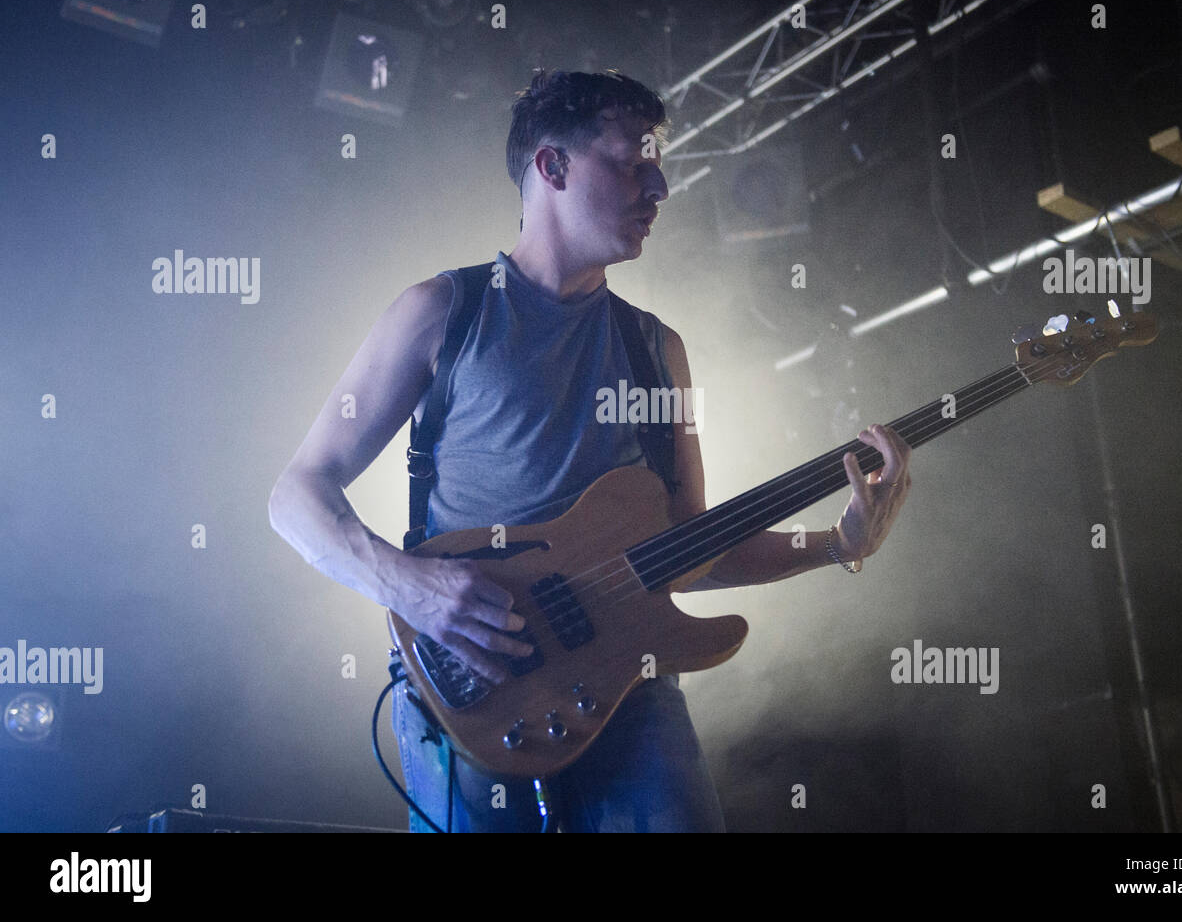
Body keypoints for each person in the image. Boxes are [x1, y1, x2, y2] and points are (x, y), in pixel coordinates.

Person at [268, 69, 913, 833]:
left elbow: (689, 551)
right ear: (553, 166)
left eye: (659, 164)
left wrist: (833, 545)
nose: (660, 185)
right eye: (632, 161)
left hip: (631, 686)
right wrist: (410, 587)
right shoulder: (444, 311)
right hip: (473, 683)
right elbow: (296, 494)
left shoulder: (656, 349)